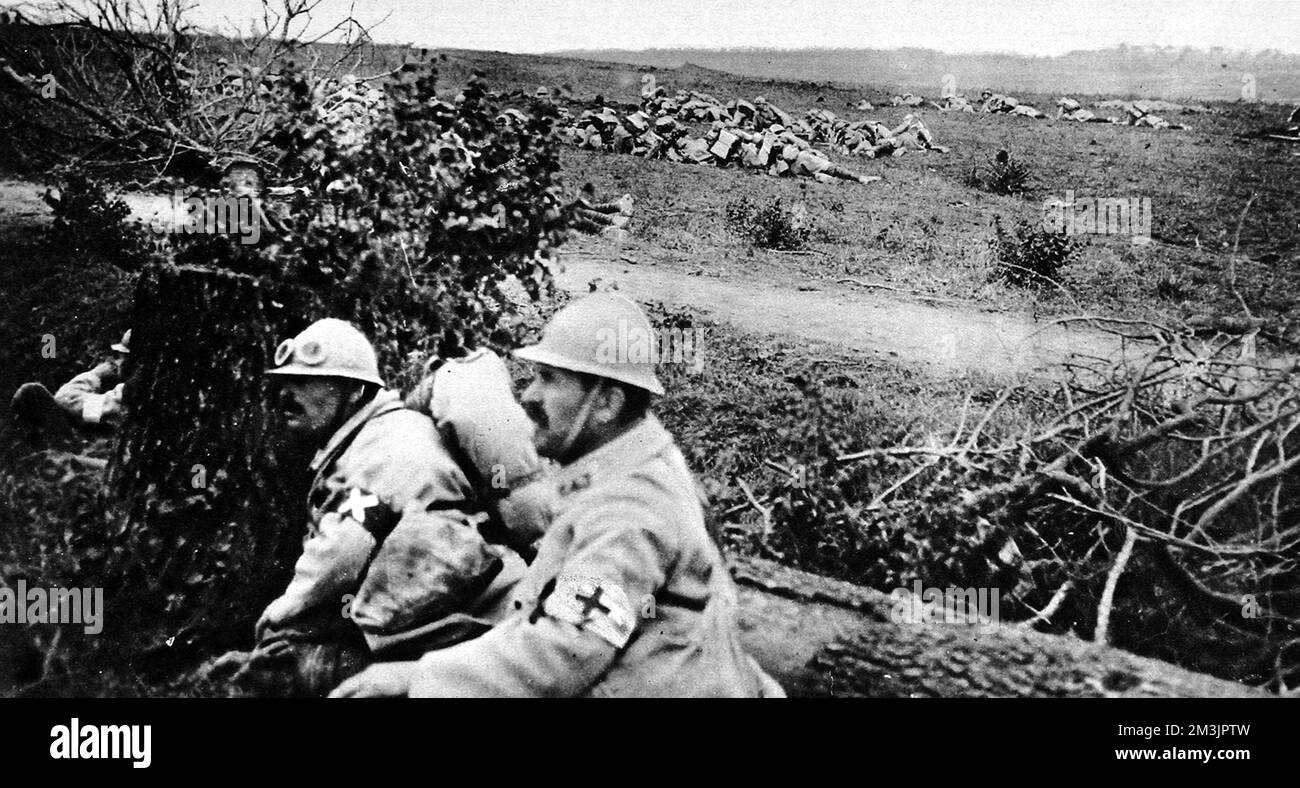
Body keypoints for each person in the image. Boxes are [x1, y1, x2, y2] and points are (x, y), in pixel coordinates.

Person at [332, 293, 784, 697]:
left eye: (549, 379)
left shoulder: (630, 509)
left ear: (606, 403)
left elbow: (566, 651)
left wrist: (415, 679)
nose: (528, 396)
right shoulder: (634, 468)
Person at [211, 318, 528, 696]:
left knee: (280, 674)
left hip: (481, 631)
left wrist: (273, 623)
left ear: (355, 390)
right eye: (284, 381)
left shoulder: (384, 451)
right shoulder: (379, 436)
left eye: (305, 382)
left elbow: (341, 551)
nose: (285, 394)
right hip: (463, 622)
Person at [10, 329, 131, 442]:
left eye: (122, 356)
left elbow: (68, 401)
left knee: (31, 391)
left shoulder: (129, 391)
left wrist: (94, 375)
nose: (118, 362)